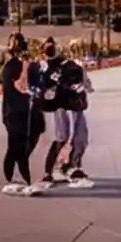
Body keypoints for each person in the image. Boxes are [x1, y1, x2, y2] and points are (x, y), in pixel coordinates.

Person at [35, 37, 94, 189]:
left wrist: (81, 87)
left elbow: (85, 84)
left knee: (80, 137)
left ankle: (72, 167)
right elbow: (45, 89)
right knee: (62, 137)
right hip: (62, 105)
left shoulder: (70, 65)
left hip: (74, 105)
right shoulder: (47, 68)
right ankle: (51, 170)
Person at [1, 33, 45, 196]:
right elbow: (20, 85)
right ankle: (14, 178)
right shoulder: (11, 67)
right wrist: (26, 66)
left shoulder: (29, 65)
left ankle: (21, 175)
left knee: (31, 138)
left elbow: (37, 84)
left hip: (28, 112)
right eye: (18, 50)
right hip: (13, 113)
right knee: (15, 145)